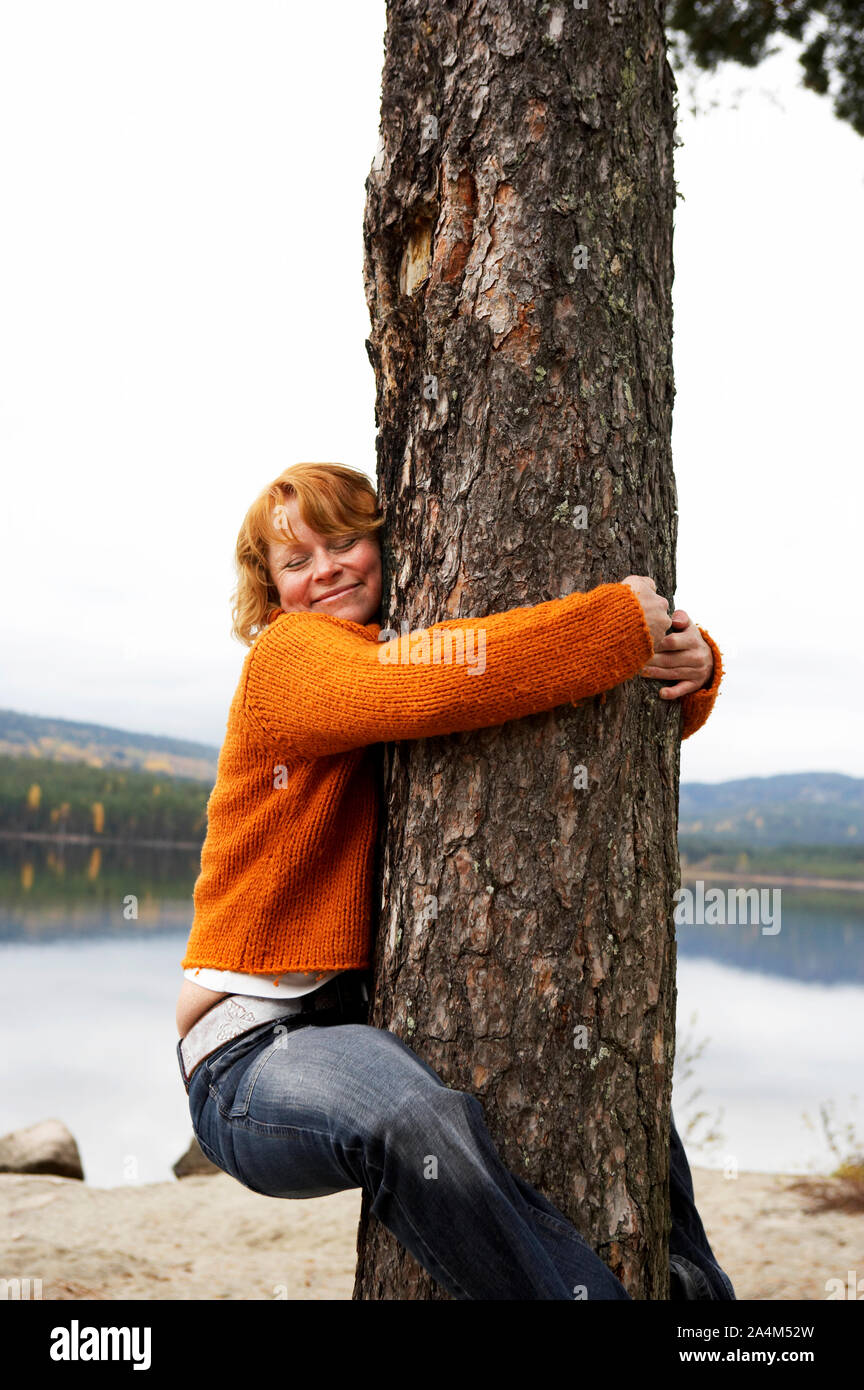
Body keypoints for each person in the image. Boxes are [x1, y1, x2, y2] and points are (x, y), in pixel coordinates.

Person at [175, 461, 735, 1301]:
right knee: (409, 1118)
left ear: (385, 538)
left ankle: (698, 1298)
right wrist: (614, 625)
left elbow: (526, 721)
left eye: (344, 542)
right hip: (250, 1062)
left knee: (620, 1088)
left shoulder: (385, 649)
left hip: (355, 1031)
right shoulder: (291, 659)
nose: (324, 569)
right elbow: (422, 686)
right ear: (274, 592)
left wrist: (686, 669)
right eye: (296, 562)